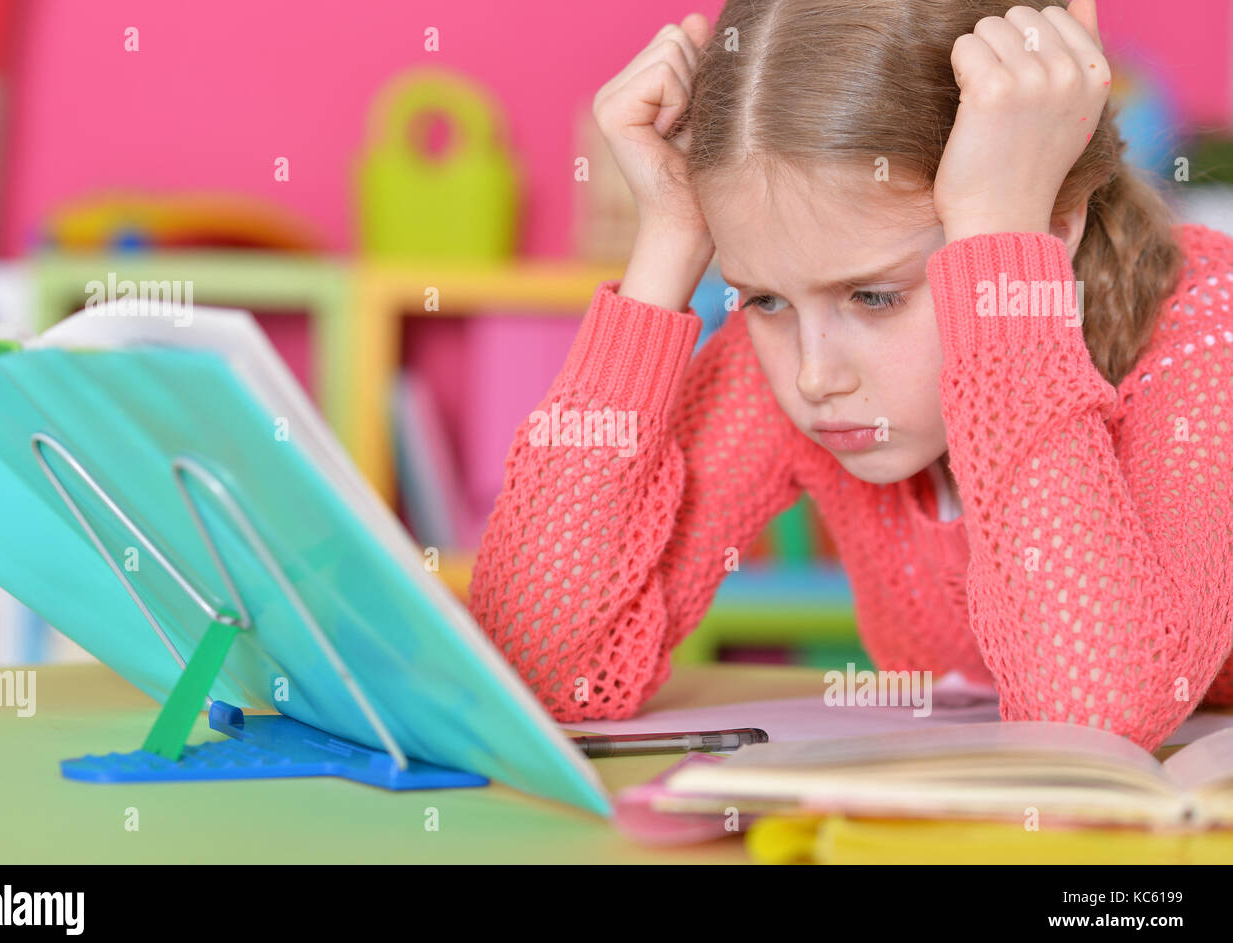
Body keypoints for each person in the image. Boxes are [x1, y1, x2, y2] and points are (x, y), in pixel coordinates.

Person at [468, 0, 1233, 752]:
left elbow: (1093, 719)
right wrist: (666, 235)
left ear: (1047, 229)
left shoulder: (1204, 336)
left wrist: (999, 247)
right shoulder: (798, 364)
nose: (814, 373)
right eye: (762, 297)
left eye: (874, 296)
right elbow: (535, 664)